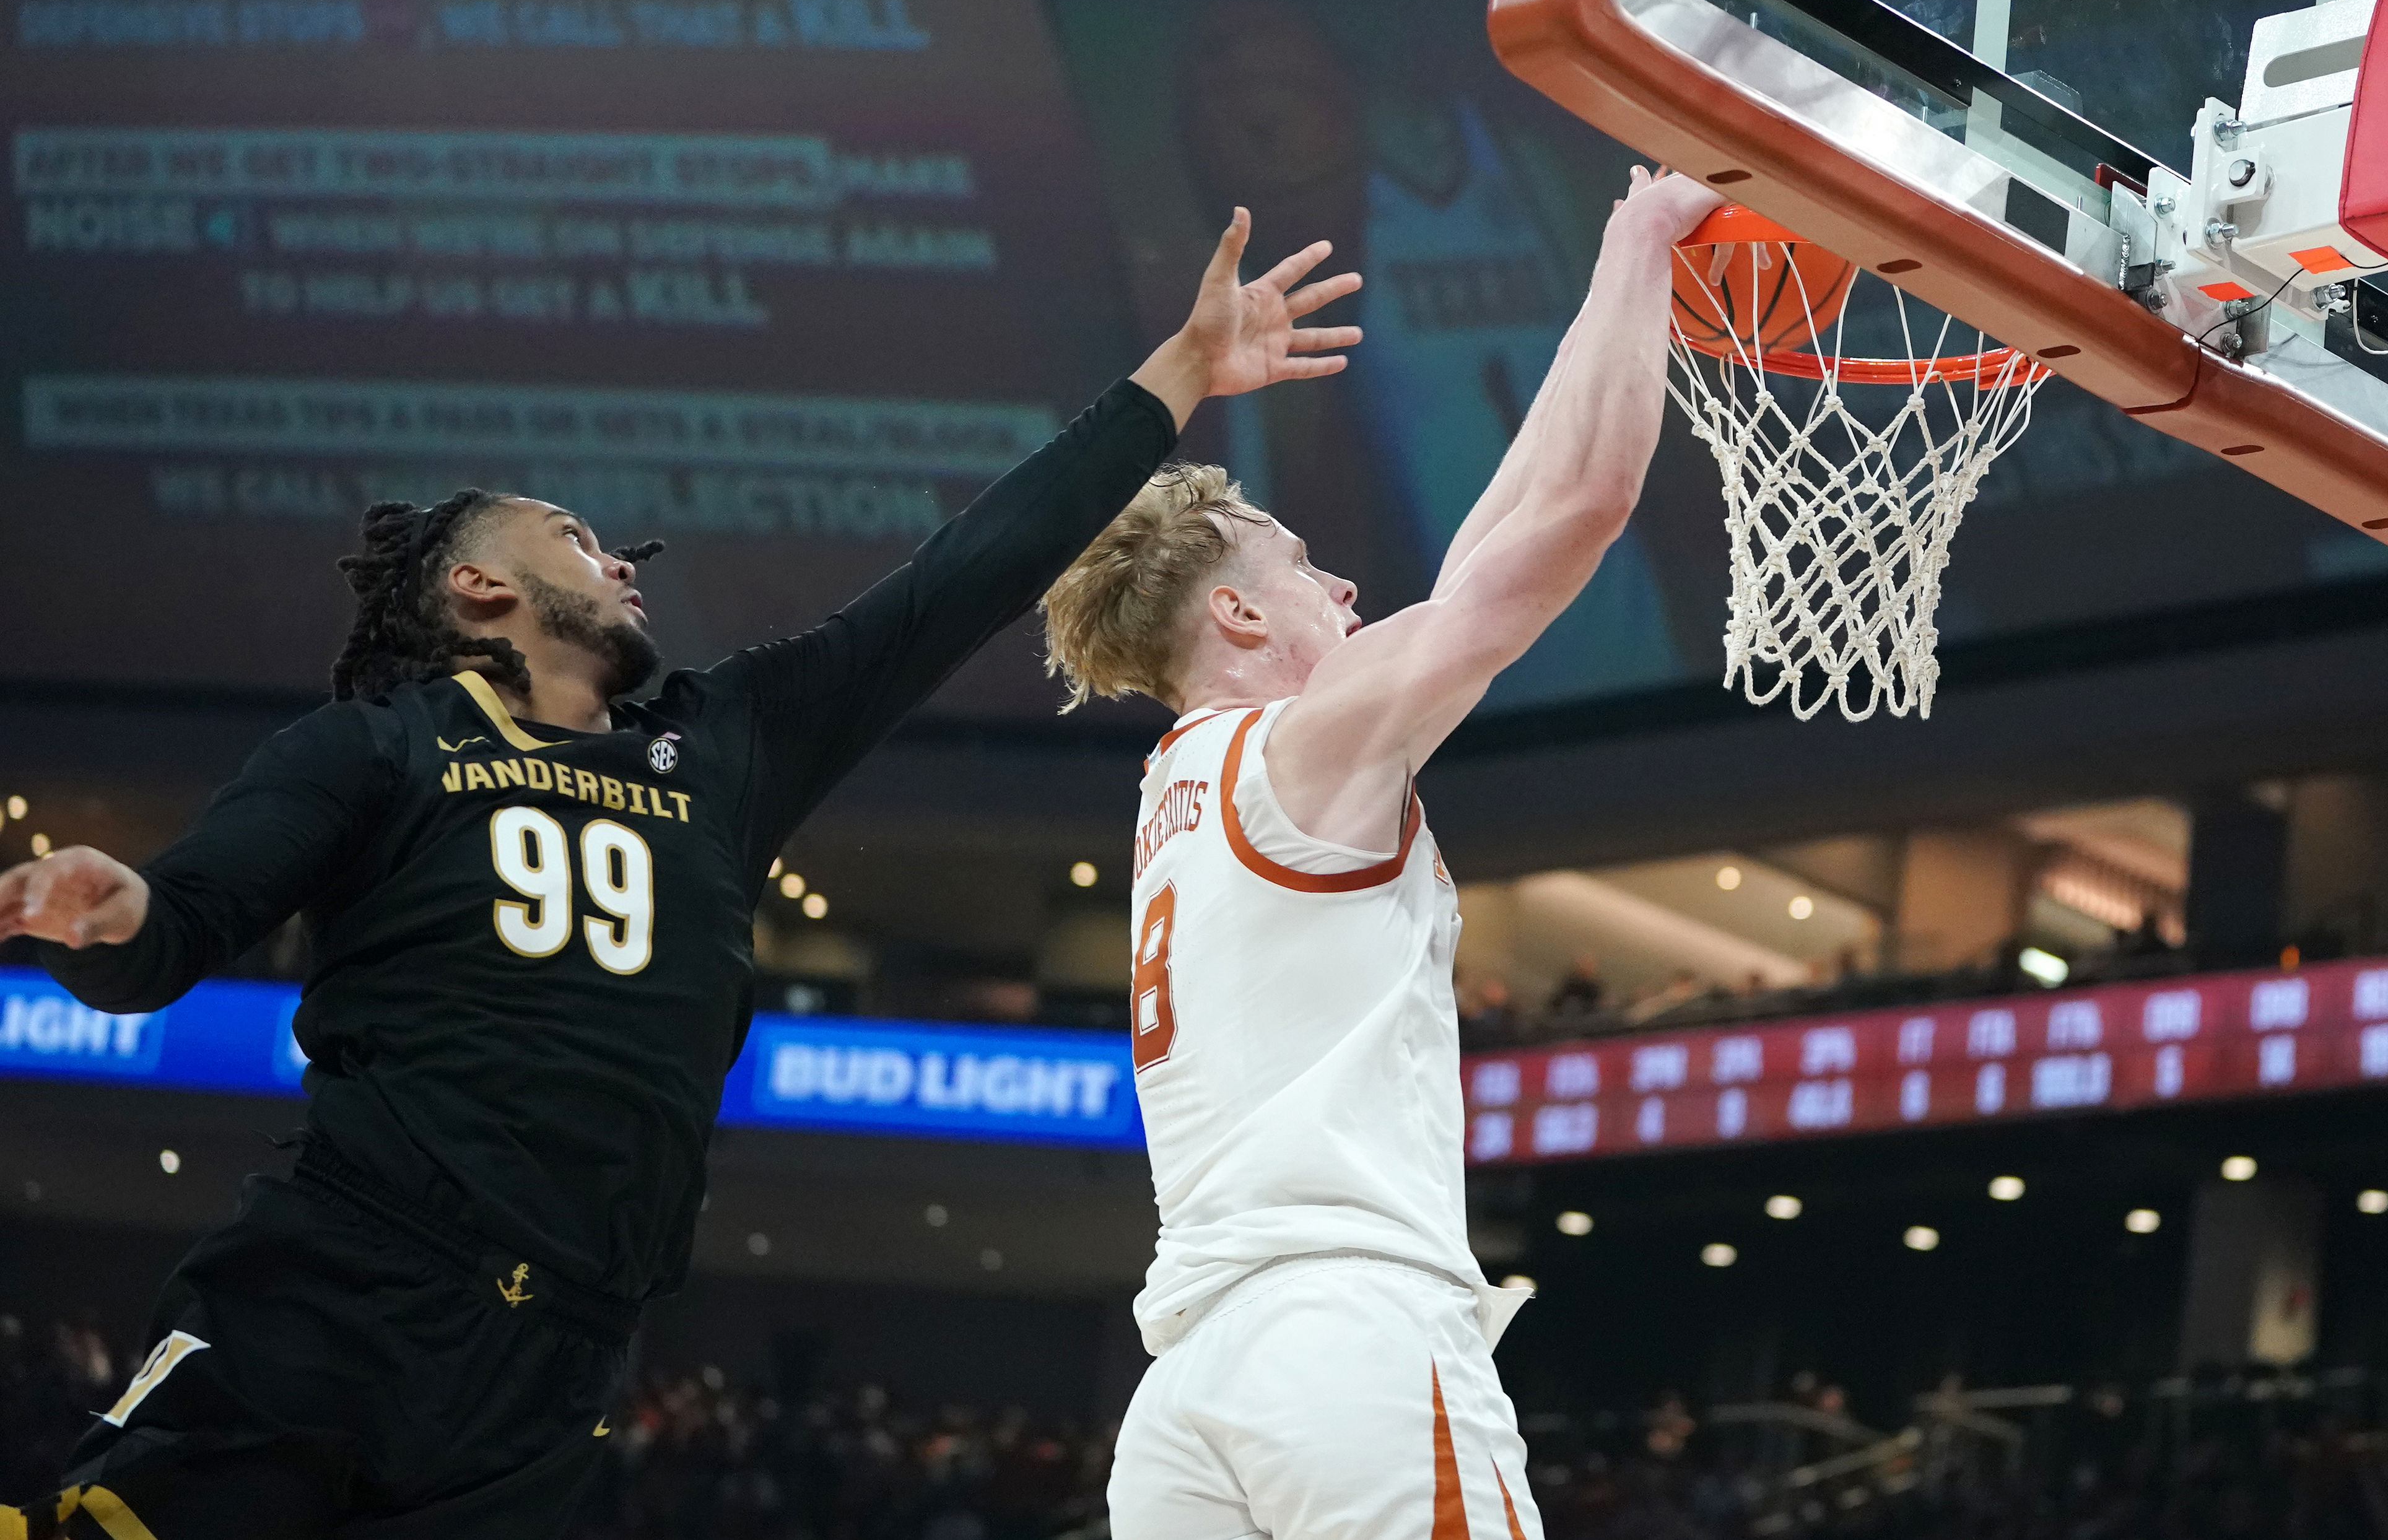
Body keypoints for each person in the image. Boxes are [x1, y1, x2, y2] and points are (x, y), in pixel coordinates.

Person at [0, 211, 1359, 1540]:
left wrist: (1178, 373)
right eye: (573, 535)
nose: (620, 557)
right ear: (480, 586)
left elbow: (962, 577)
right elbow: (174, 934)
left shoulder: (725, 742)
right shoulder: (375, 749)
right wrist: (109, 916)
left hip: (562, 1362)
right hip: (346, 1286)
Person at [1040, 166, 1721, 1540]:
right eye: (1303, 562)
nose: (1345, 588)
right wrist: (1649, 237)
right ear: (1235, 610)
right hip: (1341, 1334)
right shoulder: (1304, 746)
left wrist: (1609, 255)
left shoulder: (1183, 781)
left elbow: (1488, 544)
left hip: (1190, 1385)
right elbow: (1580, 504)